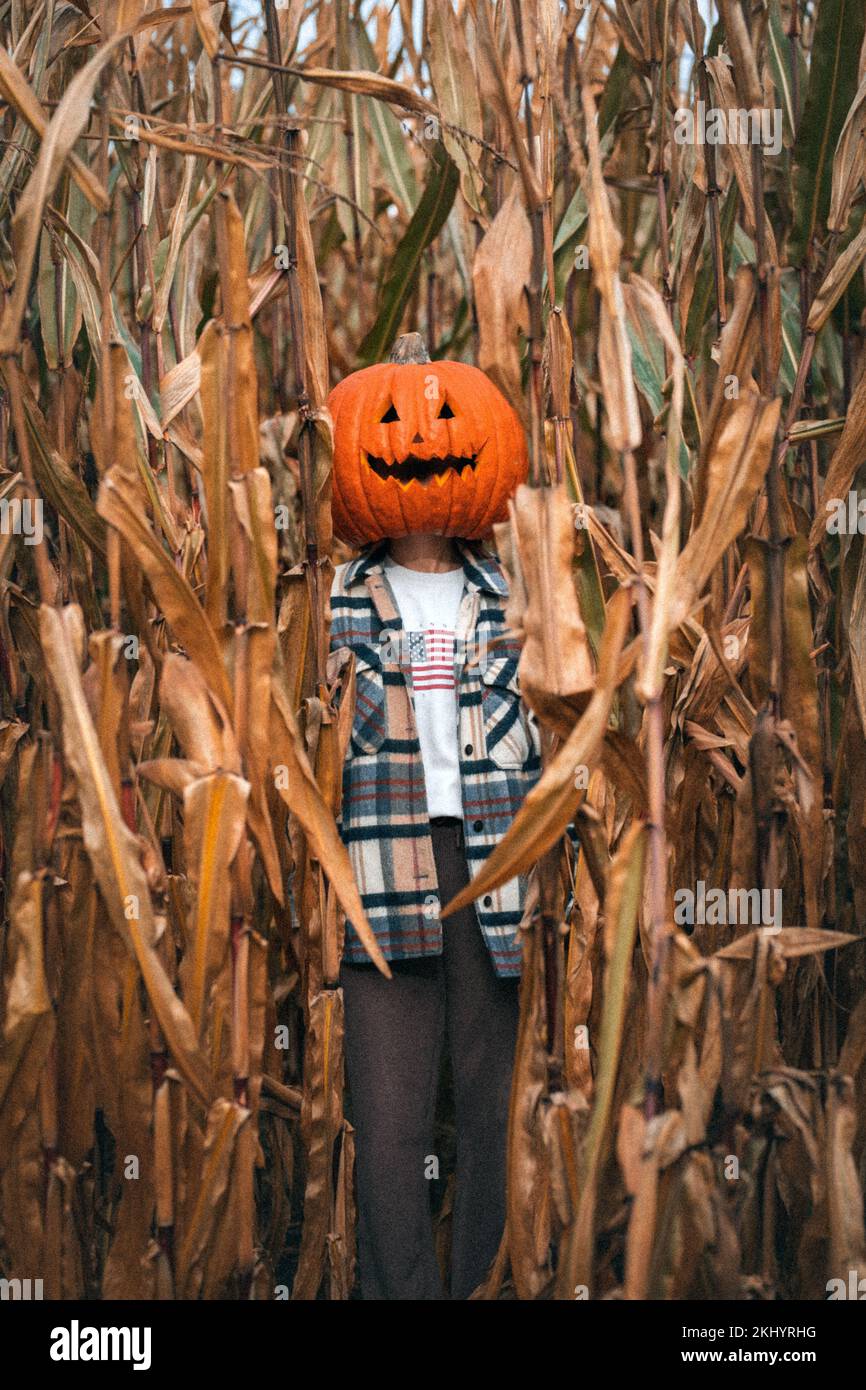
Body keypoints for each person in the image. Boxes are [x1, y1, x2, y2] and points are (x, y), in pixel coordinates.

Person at [326, 337, 539, 1299]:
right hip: (377, 875)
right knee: (392, 1118)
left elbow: (556, 734)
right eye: (396, 424)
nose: (420, 440)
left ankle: (485, 1284)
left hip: (494, 866)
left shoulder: (516, 597)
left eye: (446, 419)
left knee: (495, 1107)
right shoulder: (334, 602)